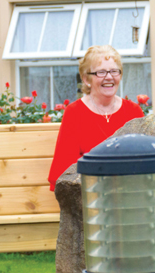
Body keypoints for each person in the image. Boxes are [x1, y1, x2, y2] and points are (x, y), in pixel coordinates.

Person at [48, 45, 144, 191]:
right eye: (101, 72)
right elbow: (65, 173)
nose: (109, 77)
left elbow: (144, 161)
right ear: (86, 79)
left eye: (114, 71)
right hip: (88, 194)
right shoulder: (75, 113)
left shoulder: (133, 111)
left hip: (129, 192)